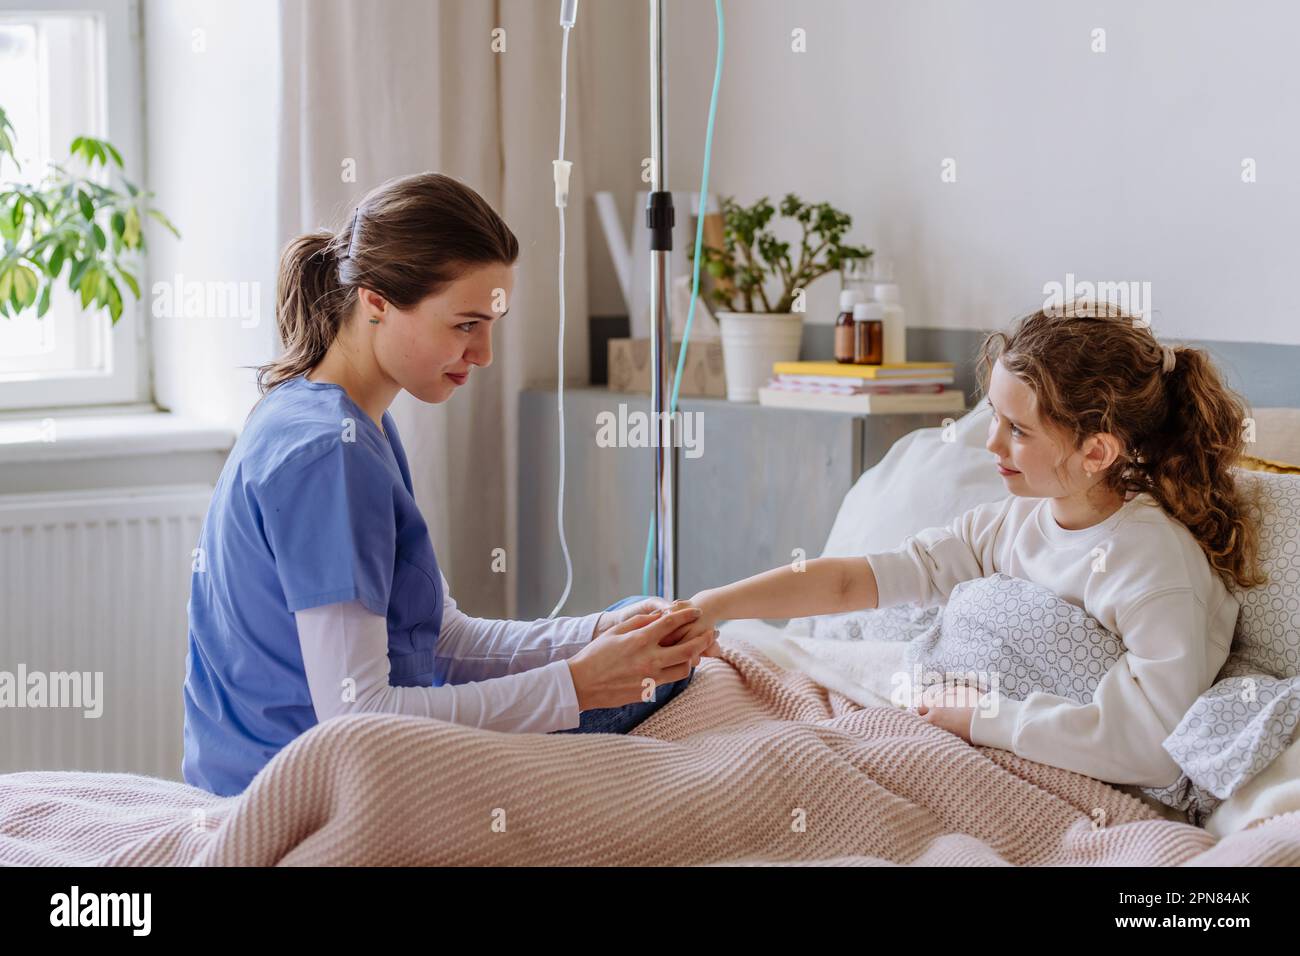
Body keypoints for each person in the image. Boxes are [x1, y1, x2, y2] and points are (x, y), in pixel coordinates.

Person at [182, 172, 717, 797]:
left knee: (635, 626)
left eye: (491, 323)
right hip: (309, 792)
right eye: (465, 324)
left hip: (322, 767)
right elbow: (358, 717)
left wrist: (592, 637)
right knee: (668, 673)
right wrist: (579, 685)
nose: (486, 353)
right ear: (376, 302)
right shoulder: (330, 451)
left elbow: (442, 639)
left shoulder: (352, 423)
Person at [670, 301, 1268, 788]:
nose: (991, 444)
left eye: (1018, 430)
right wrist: (715, 605)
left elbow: (1152, 748)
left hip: (1031, 761)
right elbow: (858, 580)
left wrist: (982, 717)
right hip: (949, 717)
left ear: (1096, 452)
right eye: (994, 418)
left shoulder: (1153, 567)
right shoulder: (1012, 523)